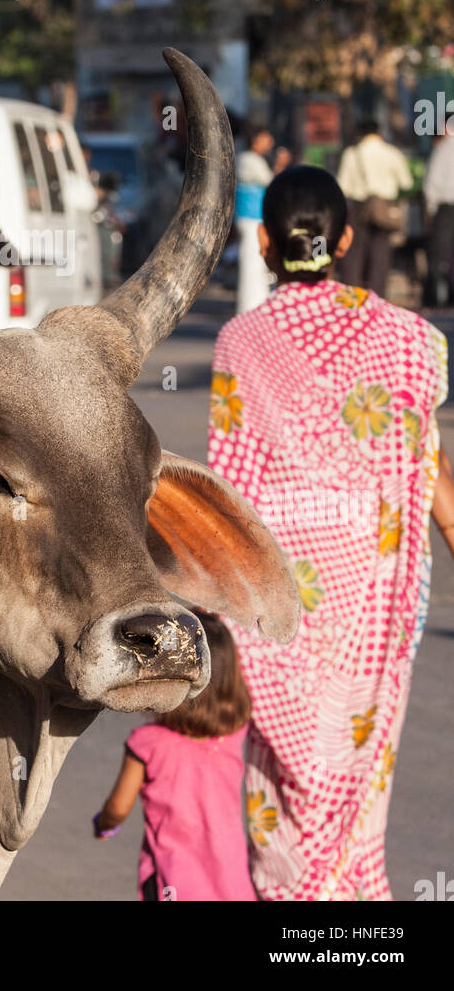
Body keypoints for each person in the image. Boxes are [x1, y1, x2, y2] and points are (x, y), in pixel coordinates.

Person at [207, 164, 454, 901]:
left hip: (276, 599)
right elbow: (427, 465)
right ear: (344, 241)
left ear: (264, 244)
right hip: (371, 595)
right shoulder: (408, 340)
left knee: (283, 791)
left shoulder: (240, 341)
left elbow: (228, 490)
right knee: (356, 788)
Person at [92, 611, 256, 902]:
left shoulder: (148, 744)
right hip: (233, 885)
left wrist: (105, 825)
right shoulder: (233, 735)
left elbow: (118, 808)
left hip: (172, 883)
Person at [337, 119, 413, 296]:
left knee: (354, 256)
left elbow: (343, 186)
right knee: (381, 255)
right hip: (384, 208)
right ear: (379, 132)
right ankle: (377, 297)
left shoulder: (352, 153)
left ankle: (352, 298)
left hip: (359, 207)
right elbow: (406, 182)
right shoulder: (392, 153)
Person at [235, 126, 290, 314]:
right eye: (266, 139)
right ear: (255, 140)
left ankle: (254, 305)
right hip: (252, 219)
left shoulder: (247, 159)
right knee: (253, 263)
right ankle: (252, 307)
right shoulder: (251, 160)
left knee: (255, 263)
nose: (269, 143)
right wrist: (280, 165)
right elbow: (271, 182)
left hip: (251, 218)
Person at [422, 120, 454, 307]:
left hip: (446, 209)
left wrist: (431, 210)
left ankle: (436, 297)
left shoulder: (443, 150)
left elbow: (431, 183)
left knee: (440, 254)